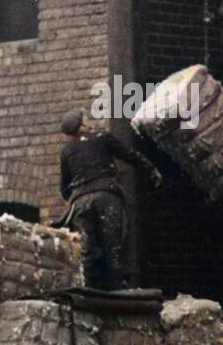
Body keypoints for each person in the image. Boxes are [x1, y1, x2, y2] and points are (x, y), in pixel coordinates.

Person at [58, 108, 161, 291]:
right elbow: (129, 155)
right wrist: (151, 169)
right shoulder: (103, 138)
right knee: (114, 248)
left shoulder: (66, 151)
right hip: (107, 196)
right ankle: (119, 293)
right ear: (82, 125)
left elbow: (64, 187)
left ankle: (89, 294)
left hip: (81, 202)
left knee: (87, 252)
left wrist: (78, 195)